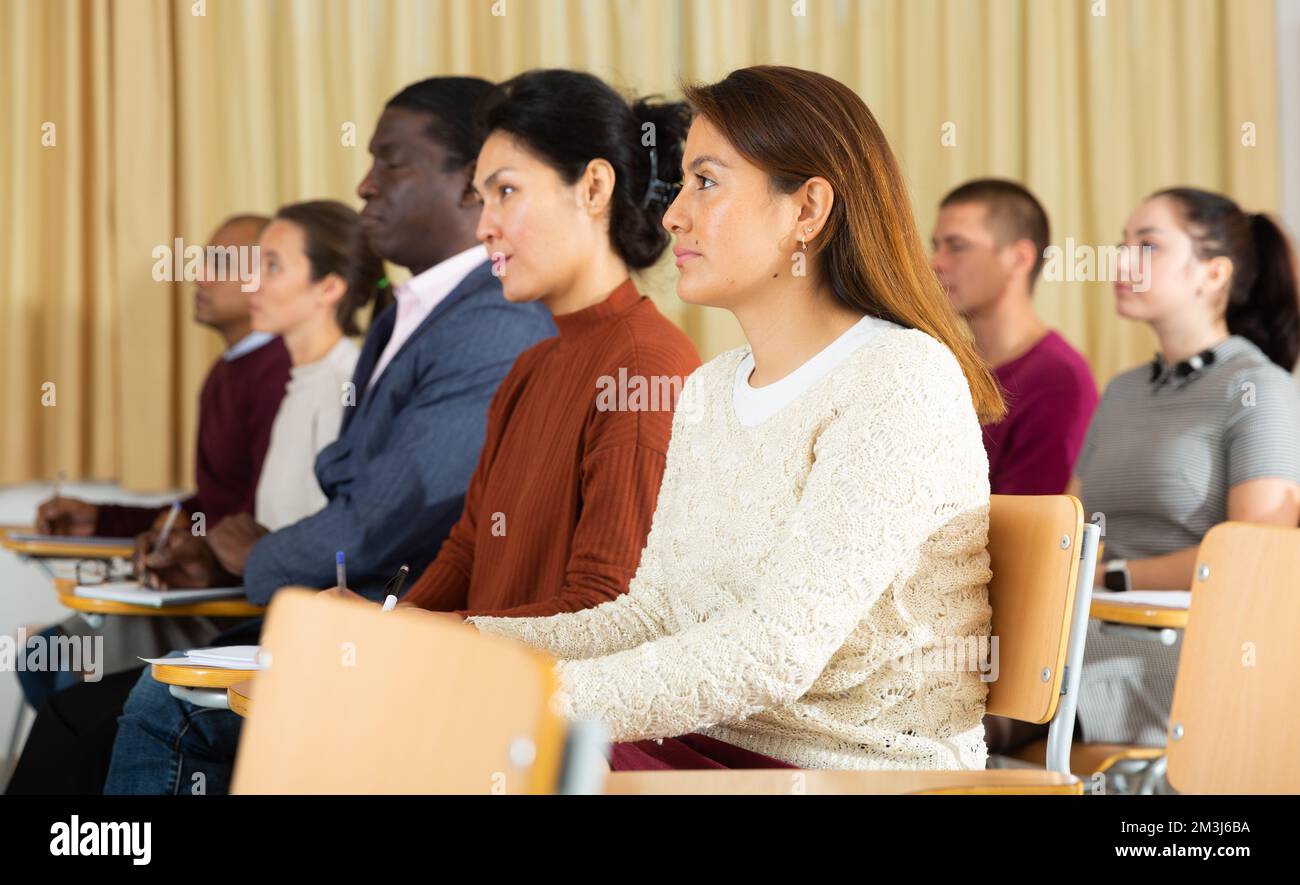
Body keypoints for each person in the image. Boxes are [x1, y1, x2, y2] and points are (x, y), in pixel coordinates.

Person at [103, 68, 702, 795]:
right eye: (482, 198)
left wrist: (411, 639)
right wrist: (382, 626)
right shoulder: (536, 361)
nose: (483, 225)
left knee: (184, 718)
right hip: (484, 674)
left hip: (535, 705)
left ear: (594, 189)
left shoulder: (645, 364)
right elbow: (468, 546)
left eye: (506, 193)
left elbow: (603, 607)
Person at [439, 65, 1004, 771]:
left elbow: (776, 651)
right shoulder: (709, 389)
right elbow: (649, 616)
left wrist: (519, 699)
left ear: (807, 210)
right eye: (681, 183)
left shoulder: (898, 379)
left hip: (852, 774)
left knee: (484, 756)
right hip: (712, 749)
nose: (674, 213)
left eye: (705, 181)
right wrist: (459, 651)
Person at [8, 76, 555, 795]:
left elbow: (380, 516)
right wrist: (220, 551)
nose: (365, 185)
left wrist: (253, 555)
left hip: (385, 619)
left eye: (392, 163)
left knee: (125, 709)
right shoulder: (402, 315)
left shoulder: (488, 318)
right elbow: (259, 505)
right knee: (75, 701)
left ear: (470, 184)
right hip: (335, 606)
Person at [17, 215, 292, 712]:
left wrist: (191, 550)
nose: (199, 275)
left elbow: (255, 523)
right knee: (37, 657)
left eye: (219, 263)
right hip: (209, 583)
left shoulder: (283, 373)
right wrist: (101, 519)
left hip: (239, 604)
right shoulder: (227, 372)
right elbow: (210, 507)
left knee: (60, 675)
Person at [1067, 187, 1300, 746]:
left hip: (1183, 656)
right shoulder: (1122, 391)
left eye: (1147, 246)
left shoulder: (1256, 388)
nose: (1122, 263)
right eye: (1123, 244)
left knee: (967, 712)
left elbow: (1250, 558)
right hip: (1079, 632)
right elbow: (1069, 531)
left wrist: (1108, 579)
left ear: (1211, 274)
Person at [931, 179, 1097, 495]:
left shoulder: (1058, 380)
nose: (936, 263)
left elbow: (1034, 529)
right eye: (936, 246)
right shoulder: (941, 365)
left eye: (957, 246)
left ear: (1019, 258)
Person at [248, 200, 383, 530]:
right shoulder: (303, 380)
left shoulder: (344, 388)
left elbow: (341, 532)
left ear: (329, 288)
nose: (250, 283)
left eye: (272, 267)